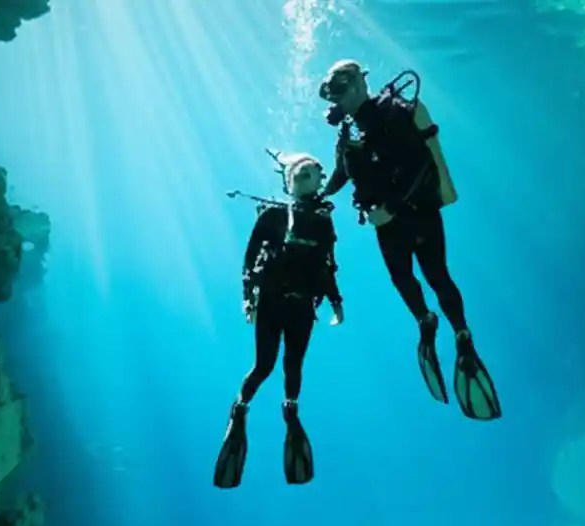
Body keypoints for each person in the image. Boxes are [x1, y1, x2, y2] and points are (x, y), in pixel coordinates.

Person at [318, 59, 500, 421]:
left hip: (417, 212)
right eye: (331, 93)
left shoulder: (394, 114)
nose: (335, 101)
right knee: (402, 277)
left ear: (358, 85)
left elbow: (419, 166)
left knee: (436, 275)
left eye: (339, 90)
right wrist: (323, 194)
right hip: (385, 222)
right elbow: (342, 170)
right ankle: (425, 321)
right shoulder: (350, 132)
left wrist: (392, 207)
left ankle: (462, 335)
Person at [213, 152, 345, 489]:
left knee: (293, 365)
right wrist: (247, 296)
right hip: (271, 301)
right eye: (297, 175)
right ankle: (240, 409)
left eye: (309, 173)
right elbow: (249, 255)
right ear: (288, 182)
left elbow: (326, 265)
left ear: (319, 179)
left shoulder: (323, 222)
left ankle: (291, 411)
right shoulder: (273, 215)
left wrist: (335, 301)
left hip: (301, 306)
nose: (302, 178)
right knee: (264, 365)